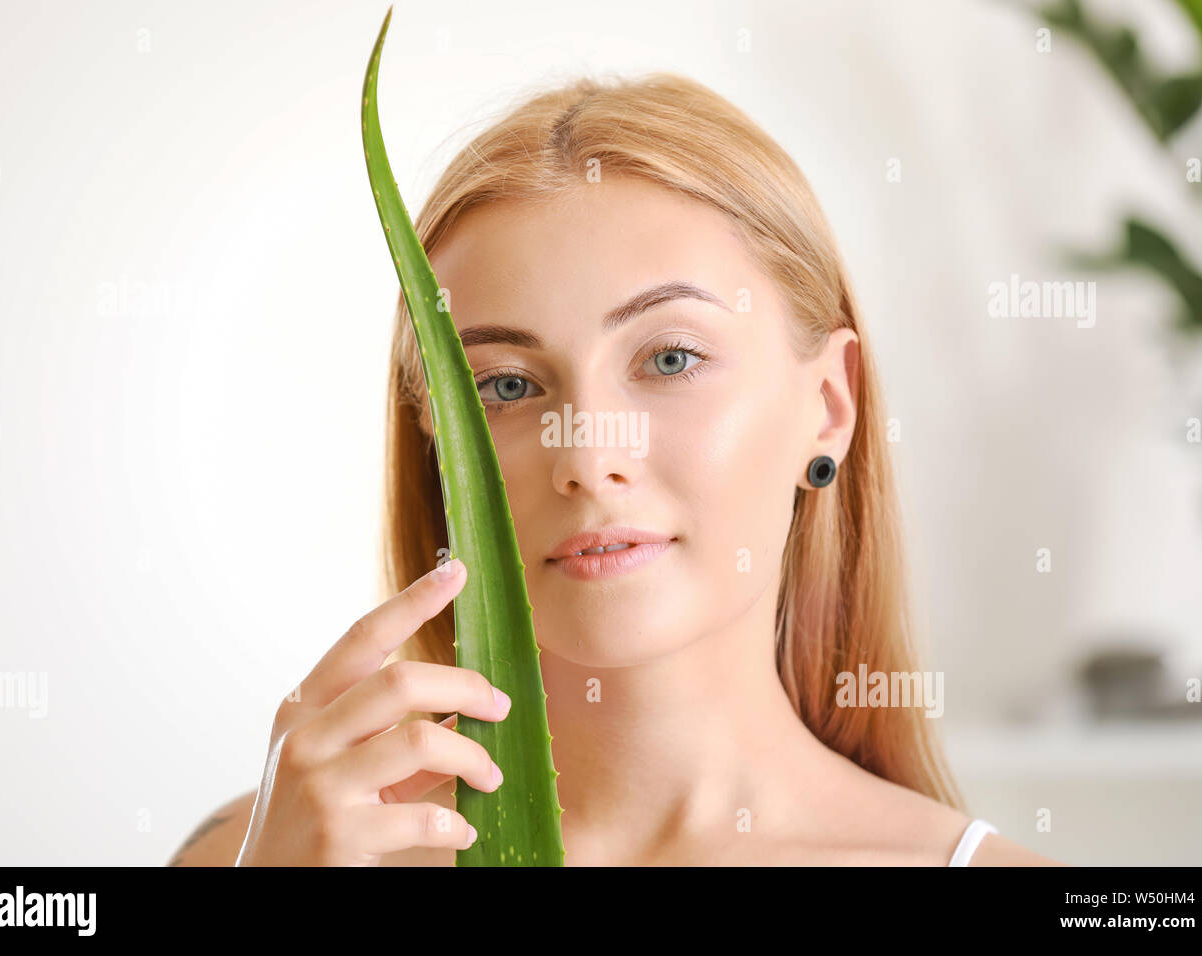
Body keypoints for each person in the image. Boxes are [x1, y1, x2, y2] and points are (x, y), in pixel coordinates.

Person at [169, 71, 1059, 867]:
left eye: (670, 360)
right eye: (507, 384)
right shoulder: (280, 853)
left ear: (829, 406)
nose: (588, 461)